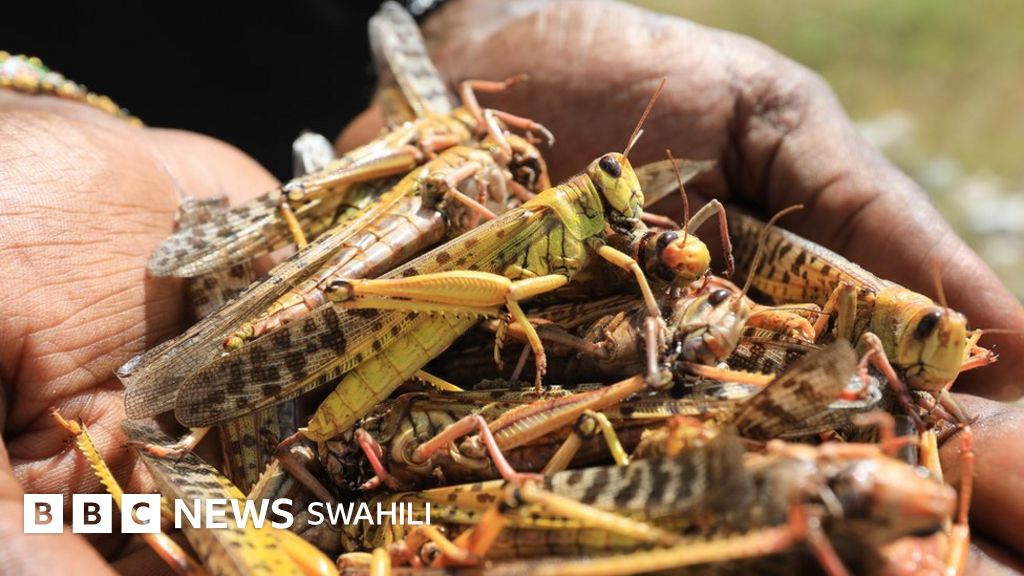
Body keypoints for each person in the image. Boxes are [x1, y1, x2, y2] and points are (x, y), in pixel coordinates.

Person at [1, 1, 1021, 573]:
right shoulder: (539, 216)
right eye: (614, 185)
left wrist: (439, 13)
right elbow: (500, 289)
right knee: (390, 303)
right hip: (366, 322)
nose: (626, 195)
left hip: (416, 426)